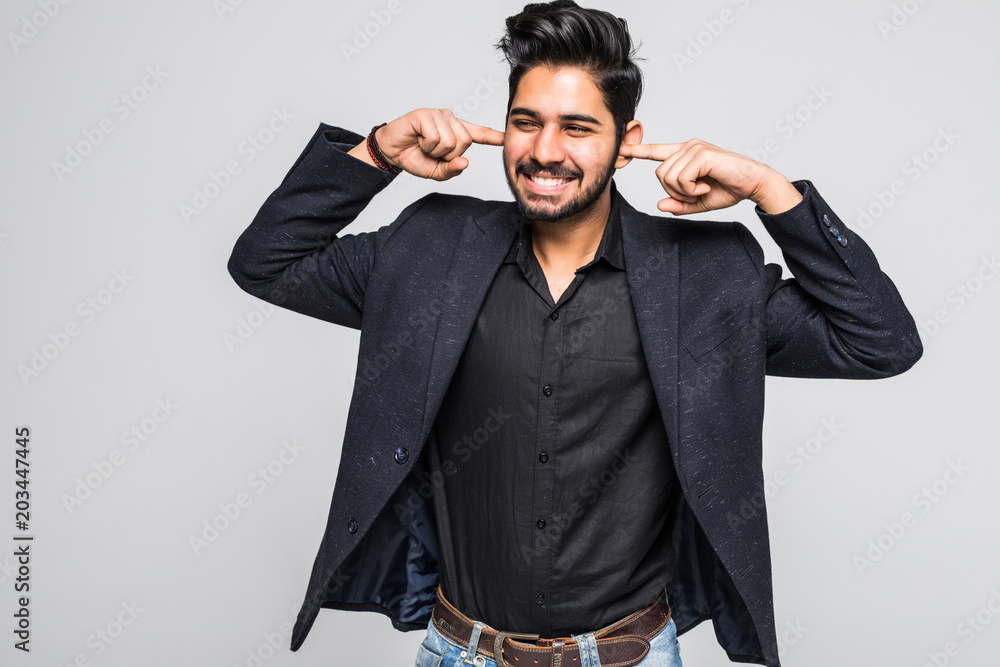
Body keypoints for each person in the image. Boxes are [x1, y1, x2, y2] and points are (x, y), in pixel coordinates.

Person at [227, 2, 922, 665]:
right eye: (526, 122)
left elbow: (880, 340)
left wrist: (772, 190)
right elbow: (265, 263)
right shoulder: (427, 248)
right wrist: (376, 152)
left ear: (627, 144)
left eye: (578, 127)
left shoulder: (707, 280)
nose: (545, 150)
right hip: (462, 652)